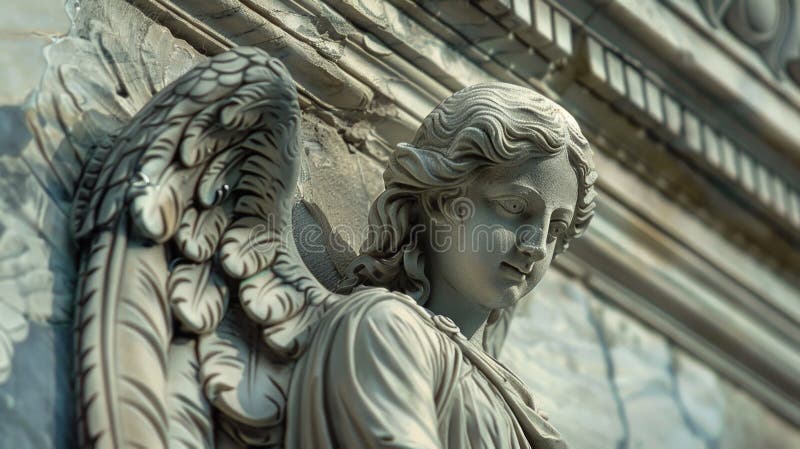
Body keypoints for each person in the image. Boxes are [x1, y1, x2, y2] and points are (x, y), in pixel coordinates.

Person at [284, 82, 597, 449]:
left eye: (555, 228)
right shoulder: (388, 328)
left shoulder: (510, 392)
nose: (537, 246)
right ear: (437, 200)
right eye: (514, 207)